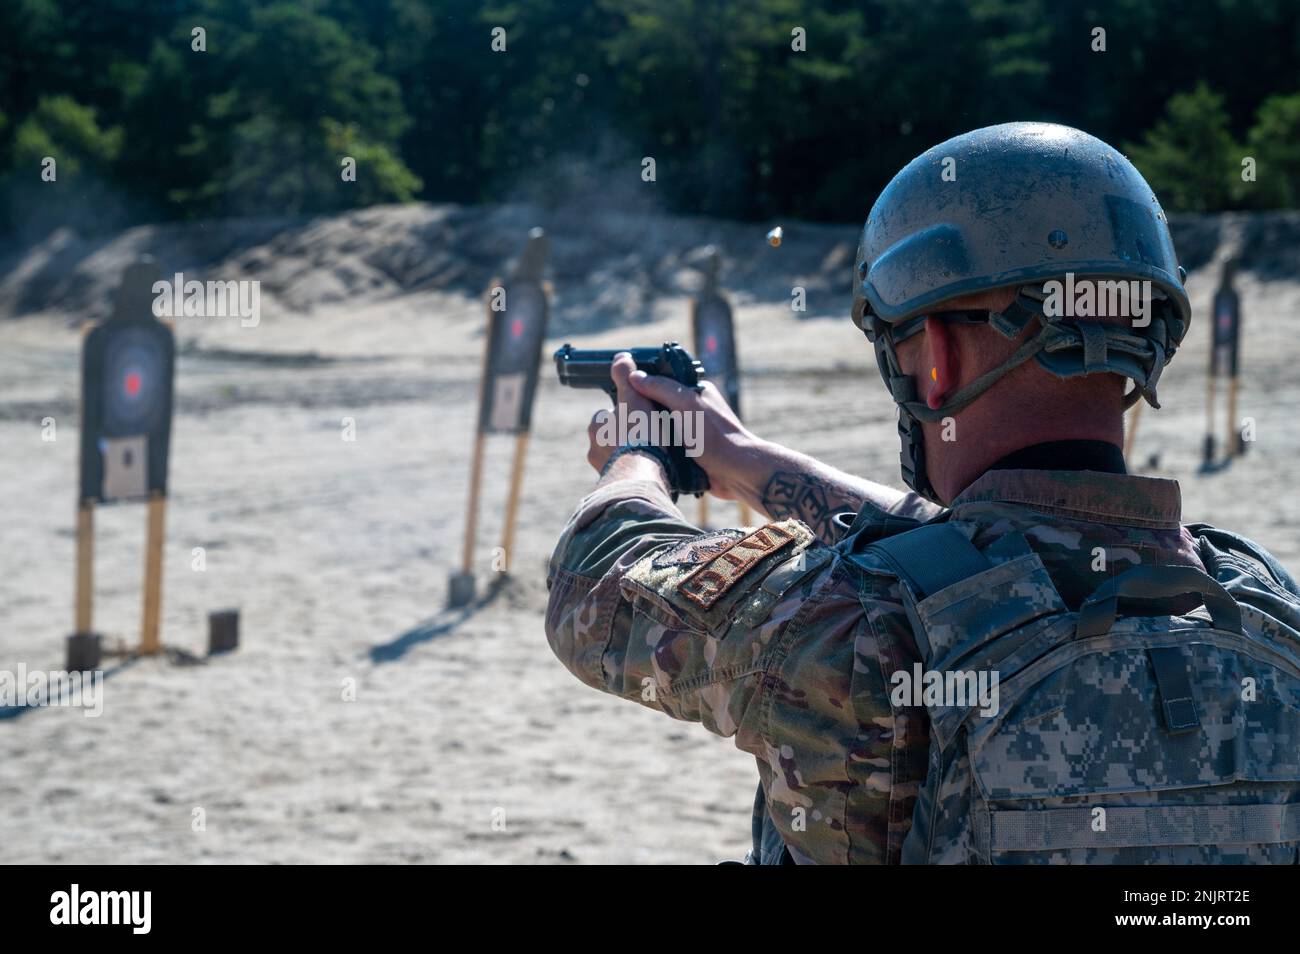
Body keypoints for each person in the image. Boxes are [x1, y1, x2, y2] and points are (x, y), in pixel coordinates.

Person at [544, 123, 1300, 864]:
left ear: (934, 355)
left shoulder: (852, 625)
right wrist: (743, 459)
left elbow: (594, 582)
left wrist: (641, 452)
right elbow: (984, 546)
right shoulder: (1262, 606)